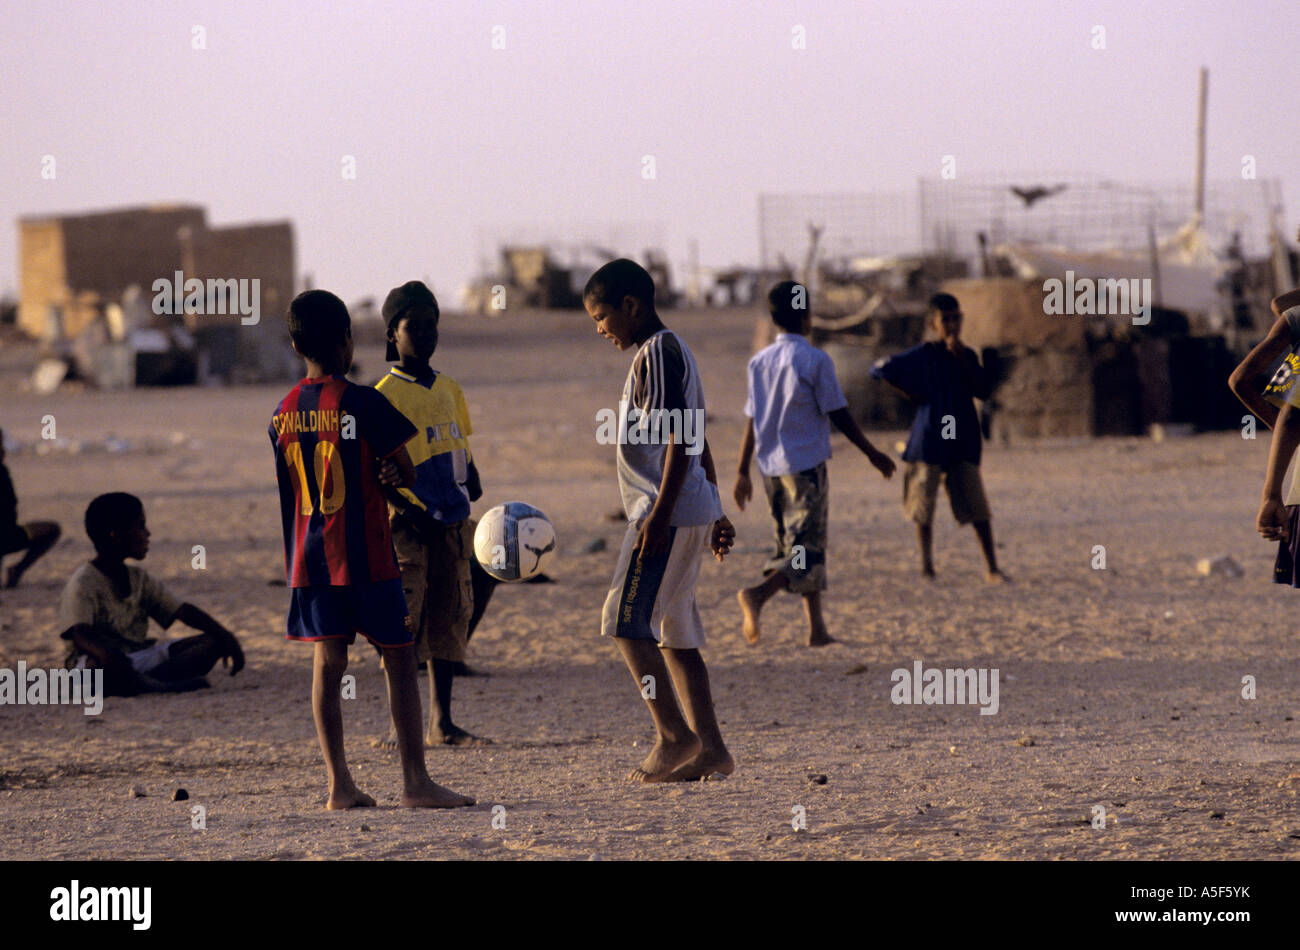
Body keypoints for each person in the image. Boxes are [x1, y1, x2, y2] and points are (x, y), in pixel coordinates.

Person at [270, 289, 473, 810]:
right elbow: (403, 471)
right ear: (348, 339)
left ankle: (339, 785)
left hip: (309, 559)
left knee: (328, 662)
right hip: (366, 556)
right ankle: (414, 782)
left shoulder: (283, 412)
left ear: (294, 345)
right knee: (400, 660)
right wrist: (388, 473)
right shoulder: (363, 401)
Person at [585, 258, 736, 783]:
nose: (600, 329)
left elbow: (681, 439)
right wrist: (713, 505)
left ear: (631, 306)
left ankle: (674, 734)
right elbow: (695, 434)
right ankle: (712, 750)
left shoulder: (659, 352)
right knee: (677, 634)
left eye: (603, 317)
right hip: (686, 508)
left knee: (626, 623)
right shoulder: (665, 353)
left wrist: (662, 513)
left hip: (665, 513)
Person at [733, 281, 896, 647]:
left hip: (770, 469)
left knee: (795, 545)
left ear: (773, 319)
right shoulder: (816, 360)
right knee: (808, 548)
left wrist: (742, 470)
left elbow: (751, 419)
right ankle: (758, 594)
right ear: (808, 319)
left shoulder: (759, 362)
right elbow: (838, 413)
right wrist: (872, 453)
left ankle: (816, 629)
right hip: (804, 466)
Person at [373, 280, 488, 746]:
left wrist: (472, 480)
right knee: (403, 624)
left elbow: (460, 443)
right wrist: (406, 508)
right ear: (391, 335)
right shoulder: (383, 395)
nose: (424, 334)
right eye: (412, 327)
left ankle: (443, 720)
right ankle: (400, 726)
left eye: (431, 325)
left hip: (453, 520)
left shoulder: (450, 389)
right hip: (409, 526)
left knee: (449, 617)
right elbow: (378, 472)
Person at [870, 292, 1007, 582]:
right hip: (929, 438)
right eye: (946, 319)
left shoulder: (968, 355)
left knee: (977, 506)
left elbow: (983, 390)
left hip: (961, 440)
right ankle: (927, 566)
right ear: (934, 324)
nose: (952, 325)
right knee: (923, 507)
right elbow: (882, 369)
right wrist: (909, 392)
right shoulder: (925, 354)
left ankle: (992, 567)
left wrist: (963, 360)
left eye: (956, 318)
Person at [57, 492, 244, 696]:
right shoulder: (83, 581)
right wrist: (108, 655)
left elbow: (182, 611)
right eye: (140, 526)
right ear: (116, 535)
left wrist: (226, 636)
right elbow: (79, 633)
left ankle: (147, 683)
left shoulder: (139, 578)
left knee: (211, 643)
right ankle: (157, 684)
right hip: (97, 661)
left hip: (137, 656)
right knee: (99, 668)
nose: (148, 533)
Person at [0, 428, 61, 589]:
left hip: (8, 534)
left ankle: (17, 570)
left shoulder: (2, 471)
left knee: (51, 529)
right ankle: (17, 570)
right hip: (5, 535)